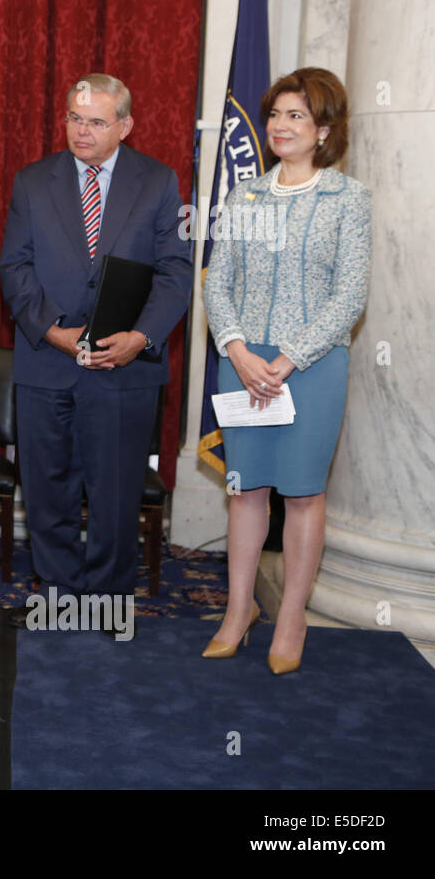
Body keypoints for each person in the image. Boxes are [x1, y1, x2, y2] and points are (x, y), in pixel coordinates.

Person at [0, 73, 191, 623]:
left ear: (125, 126)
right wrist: (52, 331)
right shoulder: (33, 181)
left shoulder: (157, 182)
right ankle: (59, 594)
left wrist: (142, 337)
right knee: (46, 486)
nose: (81, 132)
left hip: (123, 365)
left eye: (96, 122)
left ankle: (107, 602)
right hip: (46, 360)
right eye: (74, 119)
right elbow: (14, 268)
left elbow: (175, 273)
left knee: (114, 490)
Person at [202, 67, 370, 674]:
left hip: (312, 367)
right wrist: (238, 349)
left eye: (295, 115)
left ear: (324, 129)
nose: (279, 125)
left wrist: (289, 357)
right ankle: (238, 609)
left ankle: (292, 615)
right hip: (243, 363)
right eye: (275, 114)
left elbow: (350, 294)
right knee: (246, 491)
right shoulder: (245, 195)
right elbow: (218, 281)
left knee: (302, 495)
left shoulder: (347, 199)